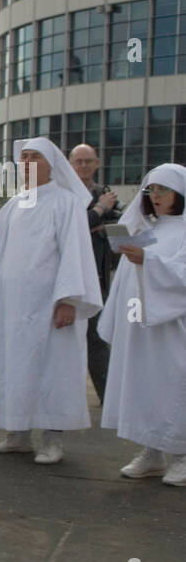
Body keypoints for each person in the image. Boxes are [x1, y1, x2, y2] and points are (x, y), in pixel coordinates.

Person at [0, 138, 104, 464]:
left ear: (52, 164)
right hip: (12, 307)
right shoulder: (13, 206)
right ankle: (17, 434)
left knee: (52, 369)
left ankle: (52, 439)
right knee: (14, 369)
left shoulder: (66, 203)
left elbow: (74, 253)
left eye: (35, 157)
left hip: (49, 306)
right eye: (24, 157)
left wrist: (68, 300)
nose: (28, 162)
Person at [97, 163, 186, 486]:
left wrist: (146, 261)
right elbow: (127, 277)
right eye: (152, 190)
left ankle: (181, 455)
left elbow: (180, 276)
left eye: (164, 190)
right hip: (142, 327)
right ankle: (152, 451)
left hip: (172, 328)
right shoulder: (151, 230)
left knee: (173, 386)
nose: (157, 196)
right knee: (147, 385)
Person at [70, 143, 121, 402]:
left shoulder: (105, 193)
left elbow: (123, 225)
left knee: (96, 337)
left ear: (97, 163)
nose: (83, 166)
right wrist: (97, 212)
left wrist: (105, 227)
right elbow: (72, 226)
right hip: (68, 275)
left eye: (88, 161)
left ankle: (109, 398)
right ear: (70, 164)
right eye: (78, 161)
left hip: (98, 274)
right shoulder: (64, 193)